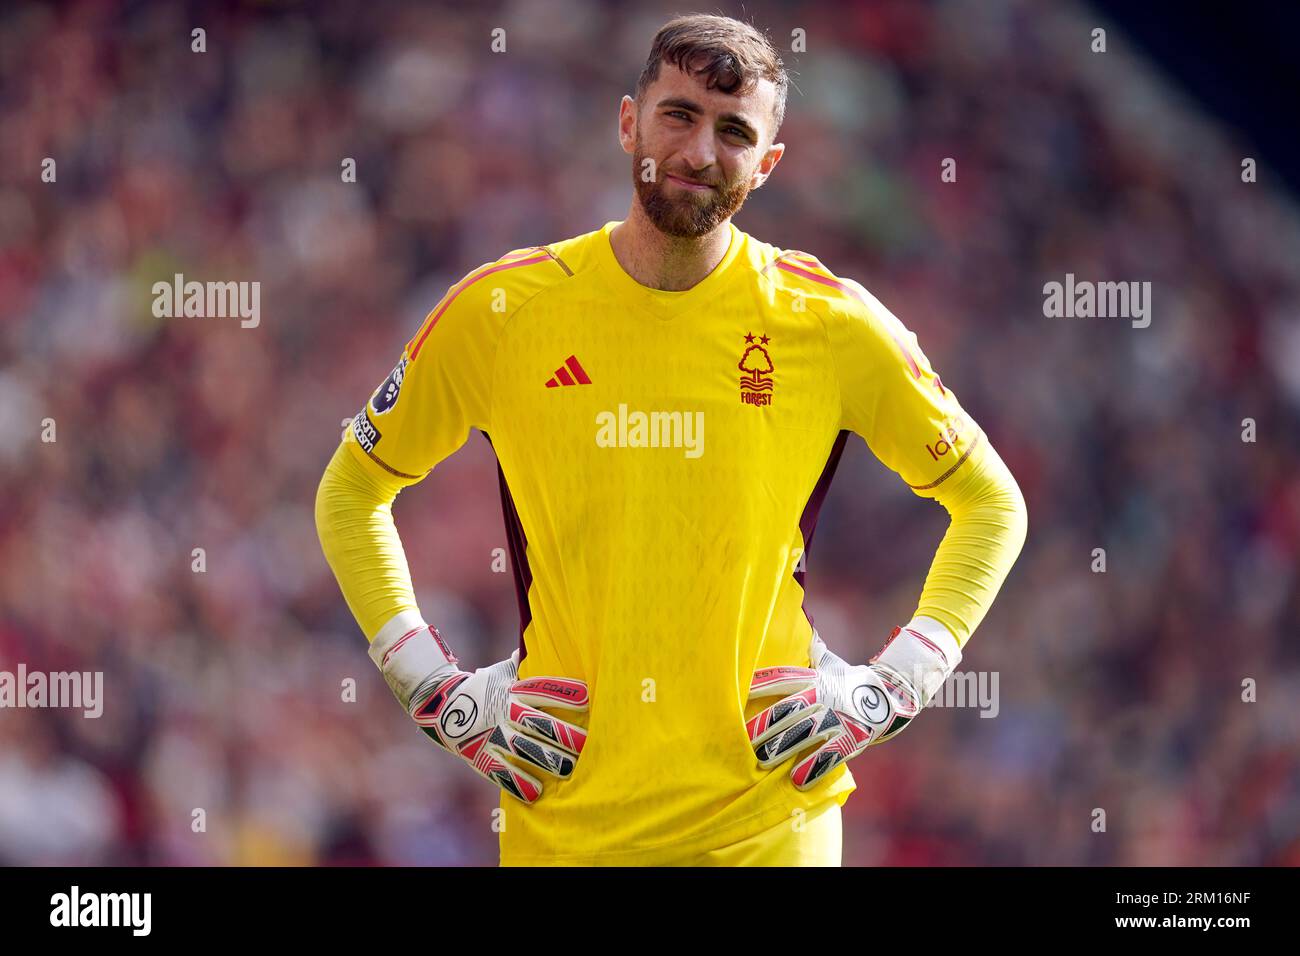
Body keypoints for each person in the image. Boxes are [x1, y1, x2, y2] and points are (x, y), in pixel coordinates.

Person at [315, 13, 1027, 866]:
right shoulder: (502, 312)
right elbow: (351, 490)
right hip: (564, 827)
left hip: (770, 826)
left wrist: (895, 682)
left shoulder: (830, 322)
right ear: (628, 123)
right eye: (678, 115)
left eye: (734, 131)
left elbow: (991, 502)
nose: (698, 151)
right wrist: (430, 684)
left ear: (766, 164)